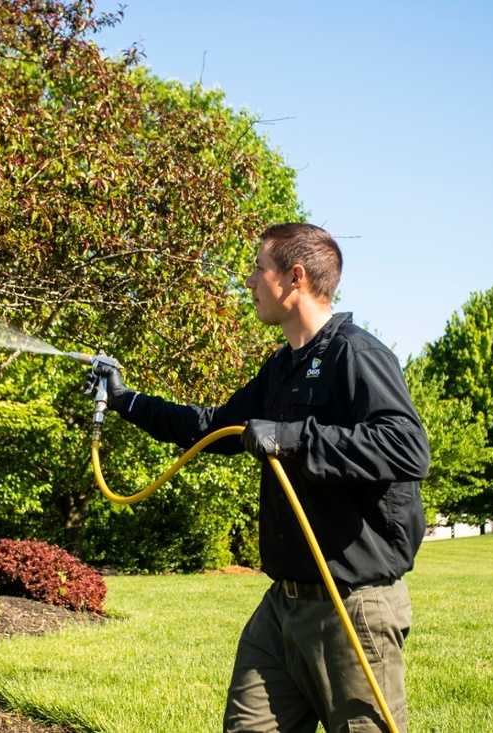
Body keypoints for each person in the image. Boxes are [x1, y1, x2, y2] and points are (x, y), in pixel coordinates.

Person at [94, 222, 430, 733]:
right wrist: (126, 401)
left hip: (353, 609)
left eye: (258, 269)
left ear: (295, 277)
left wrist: (293, 438)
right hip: (282, 608)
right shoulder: (282, 368)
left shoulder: (357, 355)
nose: (249, 281)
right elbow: (213, 427)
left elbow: (407, 447)